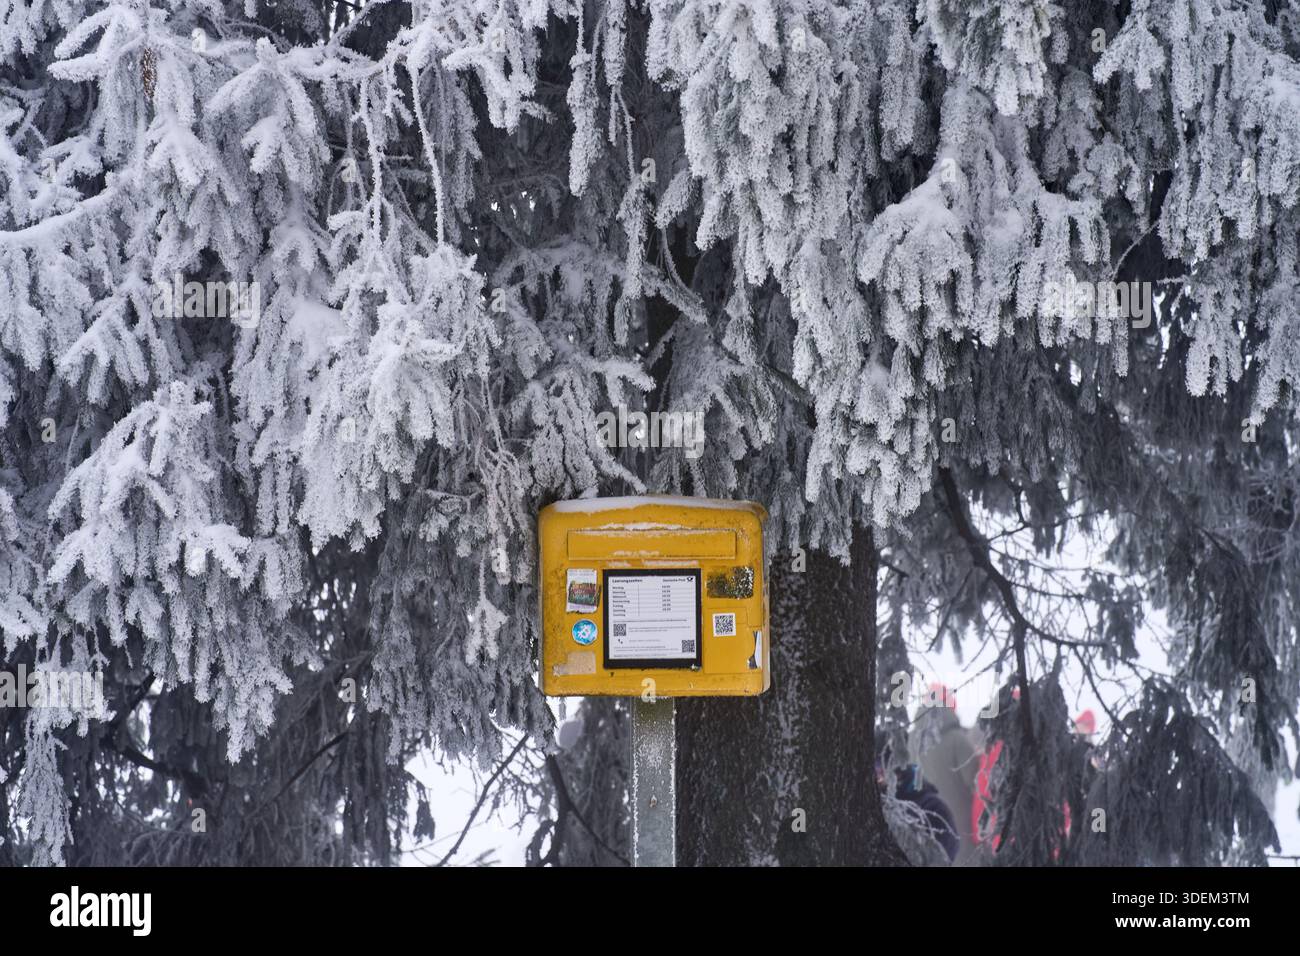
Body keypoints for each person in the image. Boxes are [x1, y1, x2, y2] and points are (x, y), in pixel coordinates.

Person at [909, 683, 981, 864]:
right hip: (962, 838)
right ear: (950, 707)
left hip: (922, 834)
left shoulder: (910, 742)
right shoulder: (958, 740)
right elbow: (978, 784)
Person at [876, 732, 960, 863]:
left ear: (897, 770)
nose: (878, 779)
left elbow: (944, 855)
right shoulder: (870, 804)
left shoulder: (932, 808)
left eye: (881, 772)